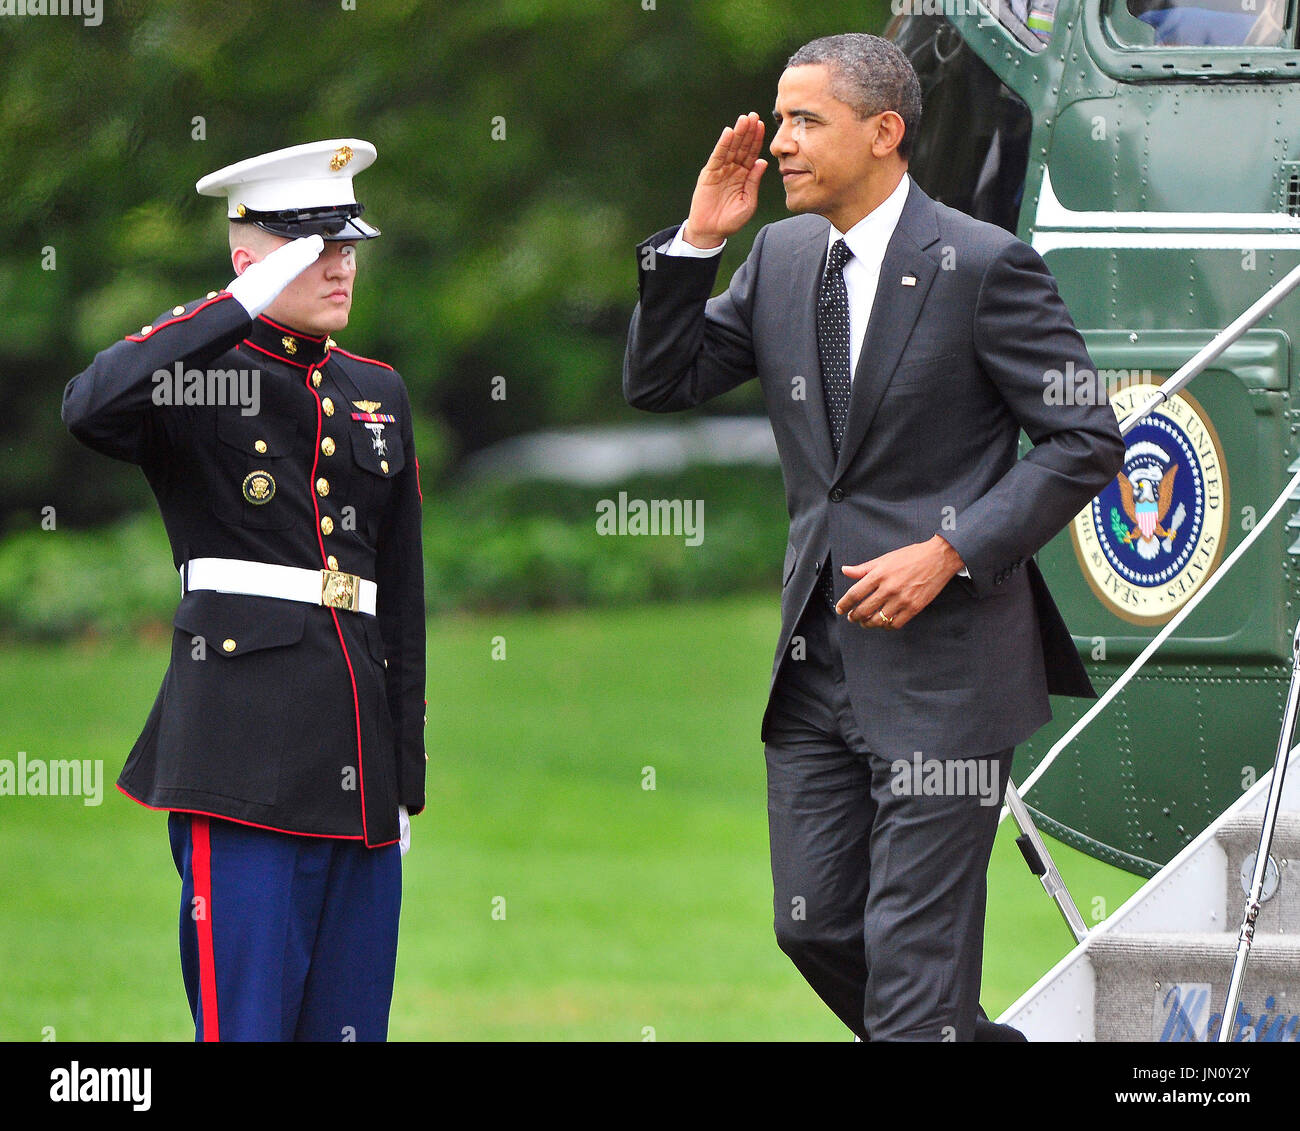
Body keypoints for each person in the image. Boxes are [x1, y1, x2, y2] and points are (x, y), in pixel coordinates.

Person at [623, 34, 1124, 1040]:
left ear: (884, 132)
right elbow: (659, 382)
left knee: (909, 984)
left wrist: (950, 550)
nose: (782, 146)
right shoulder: (778, 257)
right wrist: (695, 242)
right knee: (809, 928)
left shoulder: (984, 265)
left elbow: (1085, 439)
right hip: (813, 668)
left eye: (806, 121)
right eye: (782, 118)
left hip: (949, 674)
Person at [62, 139, 426, 1042]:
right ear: (248, 255)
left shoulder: (375, 389)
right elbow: (89, 405)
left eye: (346, 243)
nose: (339, 262)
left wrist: (403, 772)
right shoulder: (197, 376)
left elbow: (401, 598)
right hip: (241, 759)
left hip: (356, 763)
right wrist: (233, 310)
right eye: (311, 244)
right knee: (249, 1025)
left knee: (352, 1027)